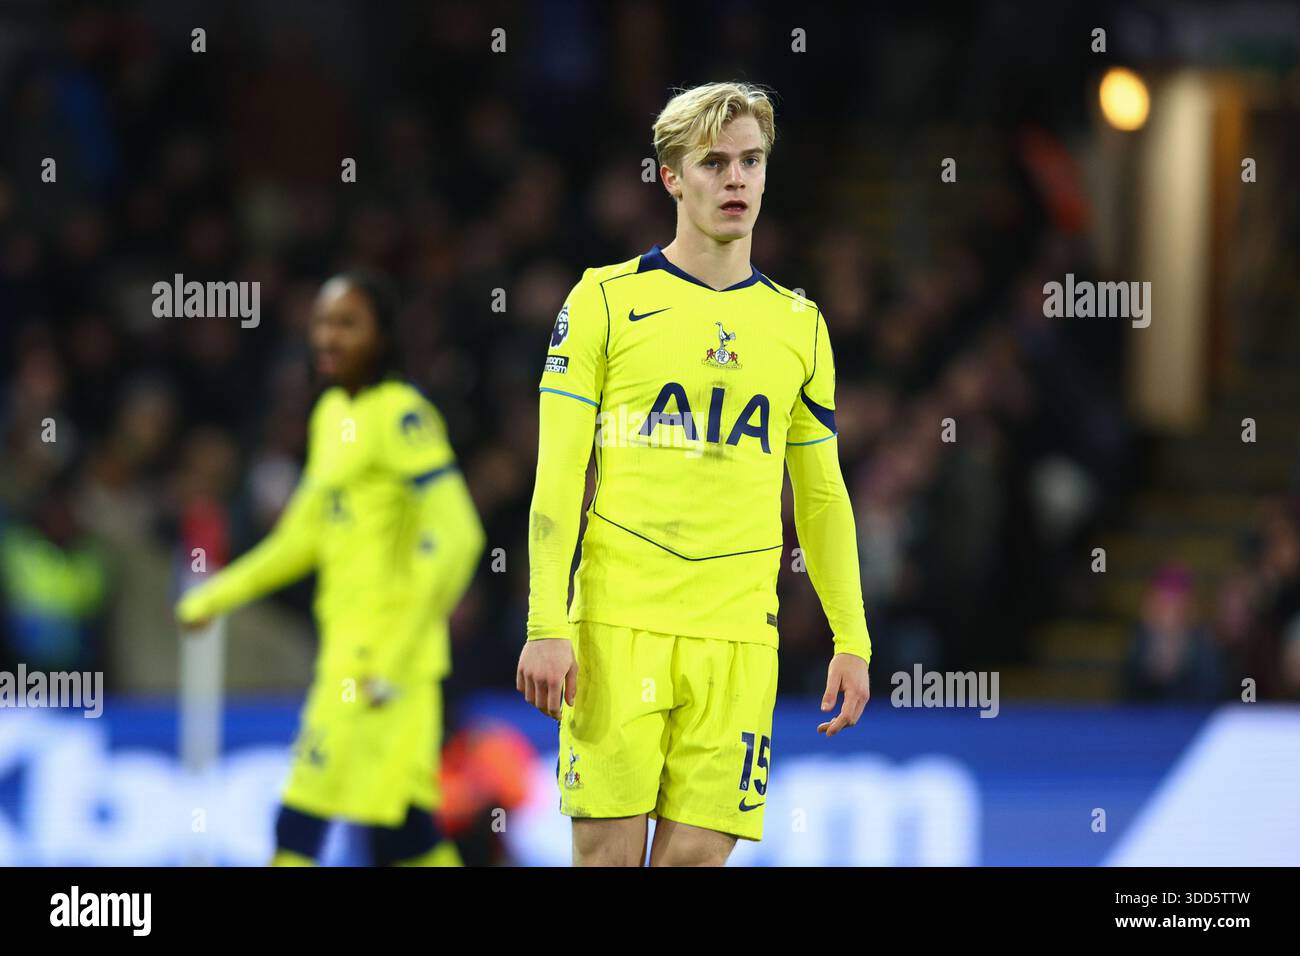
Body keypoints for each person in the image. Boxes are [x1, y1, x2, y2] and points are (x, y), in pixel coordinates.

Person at [518, 81, 873, 866]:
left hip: (740, 637)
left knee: (694, 864)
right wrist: (546, 622)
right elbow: (558, 475)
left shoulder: (799, 327)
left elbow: (820, 496)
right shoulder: (603, 300)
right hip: (616, 627)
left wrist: (853, 635)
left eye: (751, 161)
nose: (736, 179)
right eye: (714, 163)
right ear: (671, 177)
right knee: (608, 858)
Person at [176, 272, 485, 866]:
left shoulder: (401, 415)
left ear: (382, 335)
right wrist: (214, 596)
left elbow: (459, 536)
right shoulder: (332, 417)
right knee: (403, 831)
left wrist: (394, 655)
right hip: (350, 655)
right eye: (322, 322)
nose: (329, 336)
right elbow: (300, 539)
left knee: (302, 815)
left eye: (348, 323)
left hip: (383, 668)